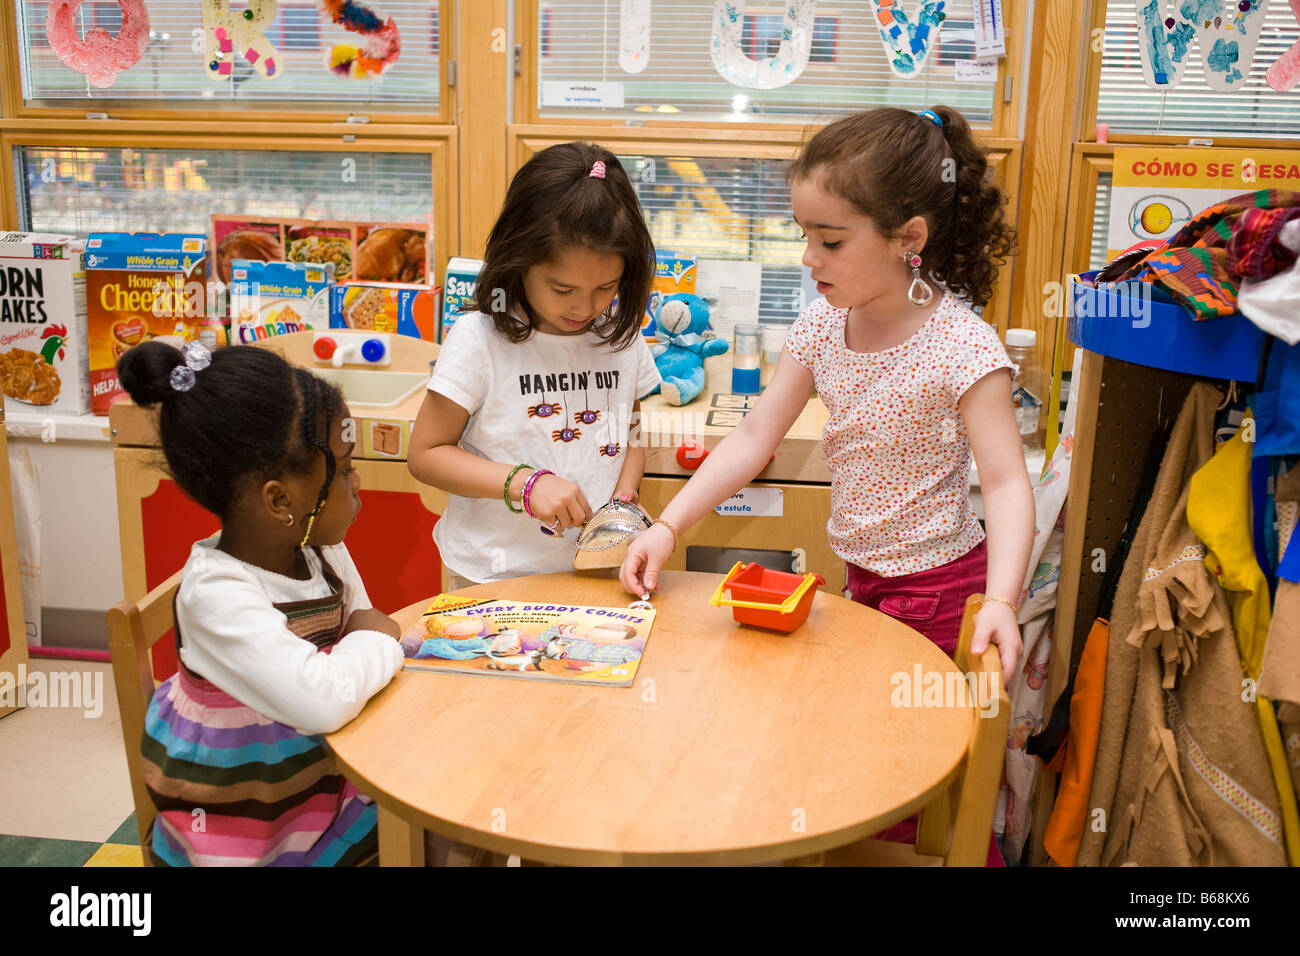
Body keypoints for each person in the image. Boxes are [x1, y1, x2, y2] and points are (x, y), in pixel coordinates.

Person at [622, 106, 1033, 690]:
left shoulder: (964, 346)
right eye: (804, 235)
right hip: (858, 578)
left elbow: (1006, 483)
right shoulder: (821, 325)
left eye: (831, 240)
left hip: (942, 593)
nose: (810, 257)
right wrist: (667, 527)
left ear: (909, 237)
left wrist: (1001, 602)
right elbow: (752, 438)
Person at [119, 340, 411, 866]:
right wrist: (373, 638)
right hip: (244, 826)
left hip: (316, 782)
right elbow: (331, 687)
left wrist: (368, 639)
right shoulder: (215, 595)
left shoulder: (323, 552)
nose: (358, 479)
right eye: (343, 470)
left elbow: (357, 650)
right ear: (281, 501)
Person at [409, 142, 662, 588]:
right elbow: (426, 455)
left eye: (606, 287)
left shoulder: (621, 336)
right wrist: (524, 484)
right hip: (491, 575)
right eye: (562, 289)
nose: (585, 307)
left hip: (595, 568)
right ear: (519, 259)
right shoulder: (479, 339)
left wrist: (625, 495)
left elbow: (632, 429)